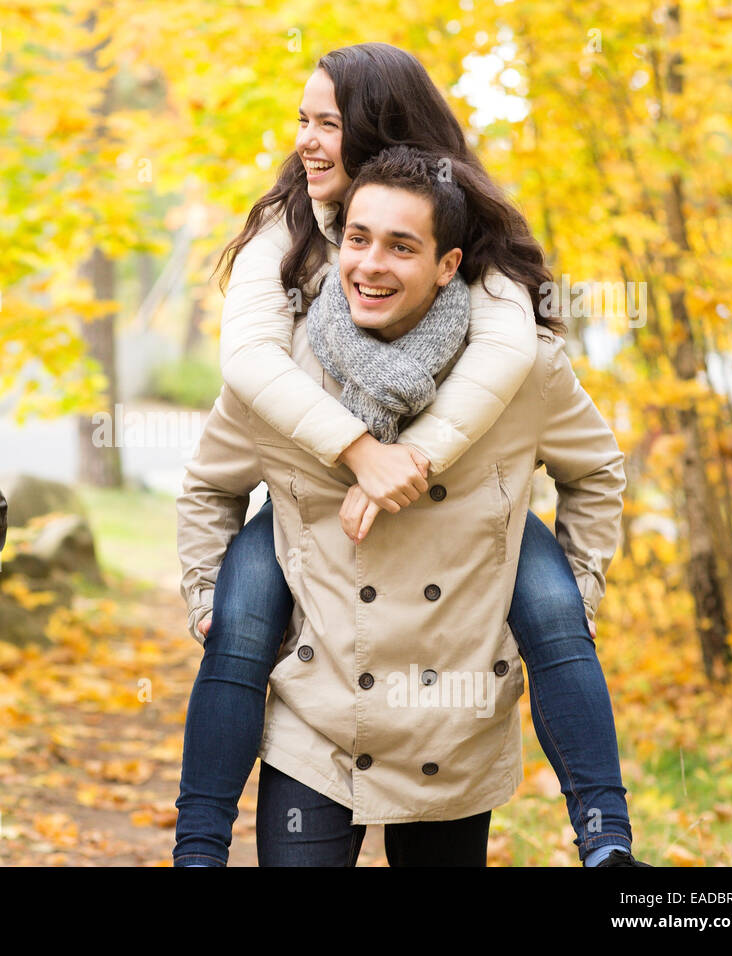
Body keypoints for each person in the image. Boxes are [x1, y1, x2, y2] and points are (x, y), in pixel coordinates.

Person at [174, 43, 646, 866]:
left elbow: (521, 374)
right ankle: (196, 847)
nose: (306, 142)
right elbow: (240, 392)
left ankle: (606, 838)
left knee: (555, 606)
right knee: (241, 622)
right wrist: (357, 452)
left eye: (327, 123)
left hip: (447, 692)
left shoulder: (487, 280)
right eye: (303, 121)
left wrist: (418, 458)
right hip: (320, 641)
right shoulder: (286, 274)